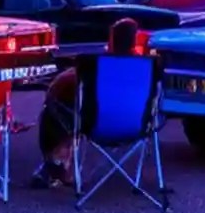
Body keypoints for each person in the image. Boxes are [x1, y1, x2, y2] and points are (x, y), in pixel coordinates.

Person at [31, 18, 142, 188]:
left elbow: (60, 85)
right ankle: (58, 164)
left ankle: (56, 164)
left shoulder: (98, 67)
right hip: (138, 125)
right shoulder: (147, 68)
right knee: (67, 109)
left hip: (99, 125)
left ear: (111, 41)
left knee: (56, 107)